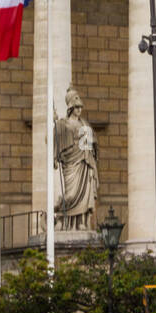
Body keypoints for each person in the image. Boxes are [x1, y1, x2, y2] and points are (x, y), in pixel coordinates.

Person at [55, 89, 98, 231]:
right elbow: (52, 140)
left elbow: (92, 143)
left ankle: (81, 222)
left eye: (80, 107)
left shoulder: (85, 124)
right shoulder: (62, 123)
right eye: (77, 107)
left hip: (84, 161)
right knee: (71, 194)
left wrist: (91, 148)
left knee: (85, 192)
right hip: (70, 162)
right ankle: (61, 216)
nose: (79, 110)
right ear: (71, 107)